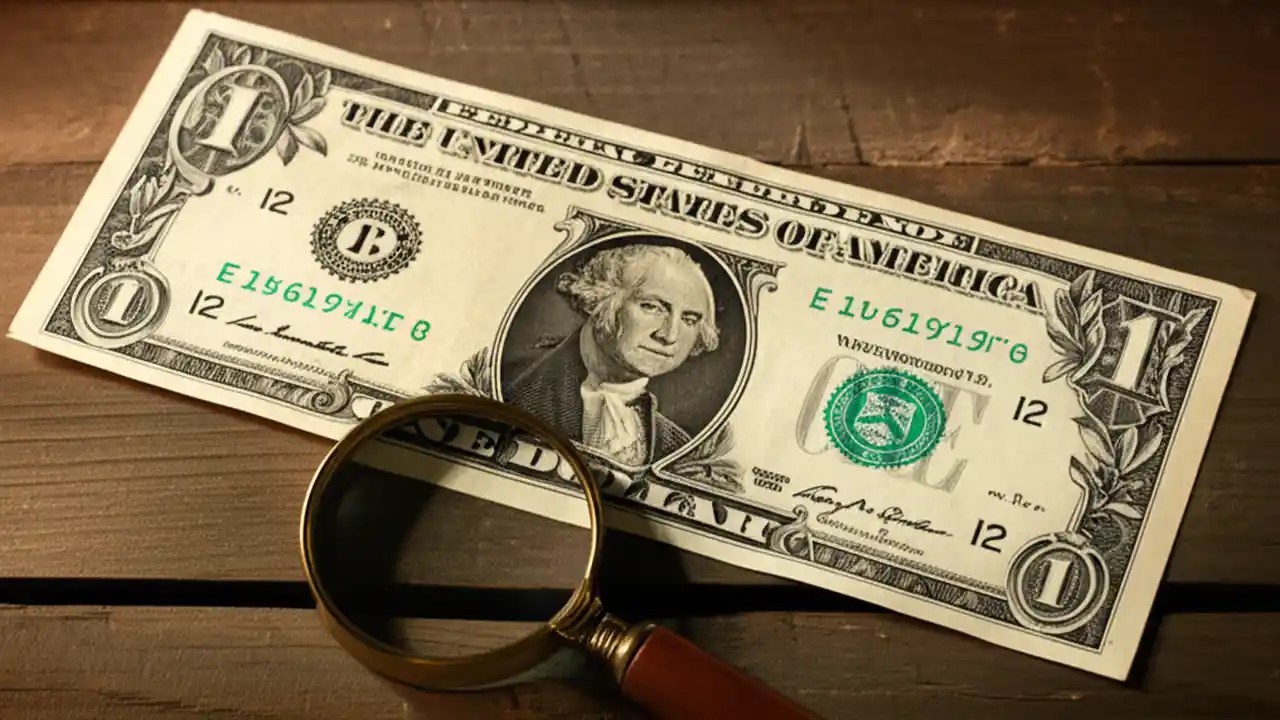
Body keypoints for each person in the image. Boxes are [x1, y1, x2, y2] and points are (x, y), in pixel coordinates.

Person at [503, 243, 720, 466]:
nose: (669, 335)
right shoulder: (506, 383)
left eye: (689, 320)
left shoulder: (679, 450)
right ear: (599, 299)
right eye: (652, 307)